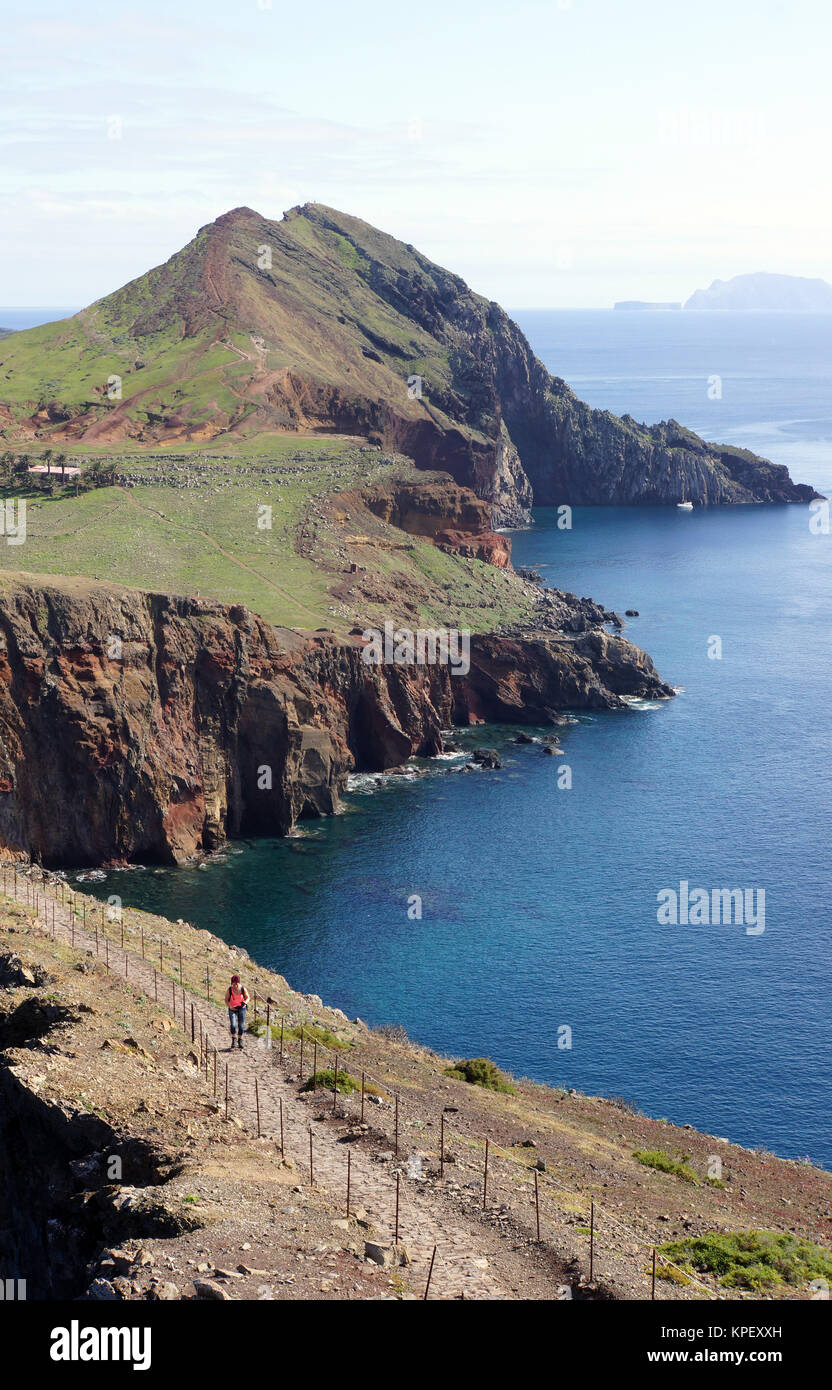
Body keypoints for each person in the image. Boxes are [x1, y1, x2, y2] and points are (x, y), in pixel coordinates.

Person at [226, 974, 249, 1050]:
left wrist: (245, 1002)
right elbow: (226, 999)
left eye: (236, 983)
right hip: (232, 1009)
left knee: (241, 1026)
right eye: (233, 983)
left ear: (238, 982)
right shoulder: (230, 990)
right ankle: (234, 1039)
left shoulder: (243, 989)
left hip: (241, 1008)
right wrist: (230, 1006)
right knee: (233, 1025)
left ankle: (240, 1040)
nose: (235, 985)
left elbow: (248, 997)